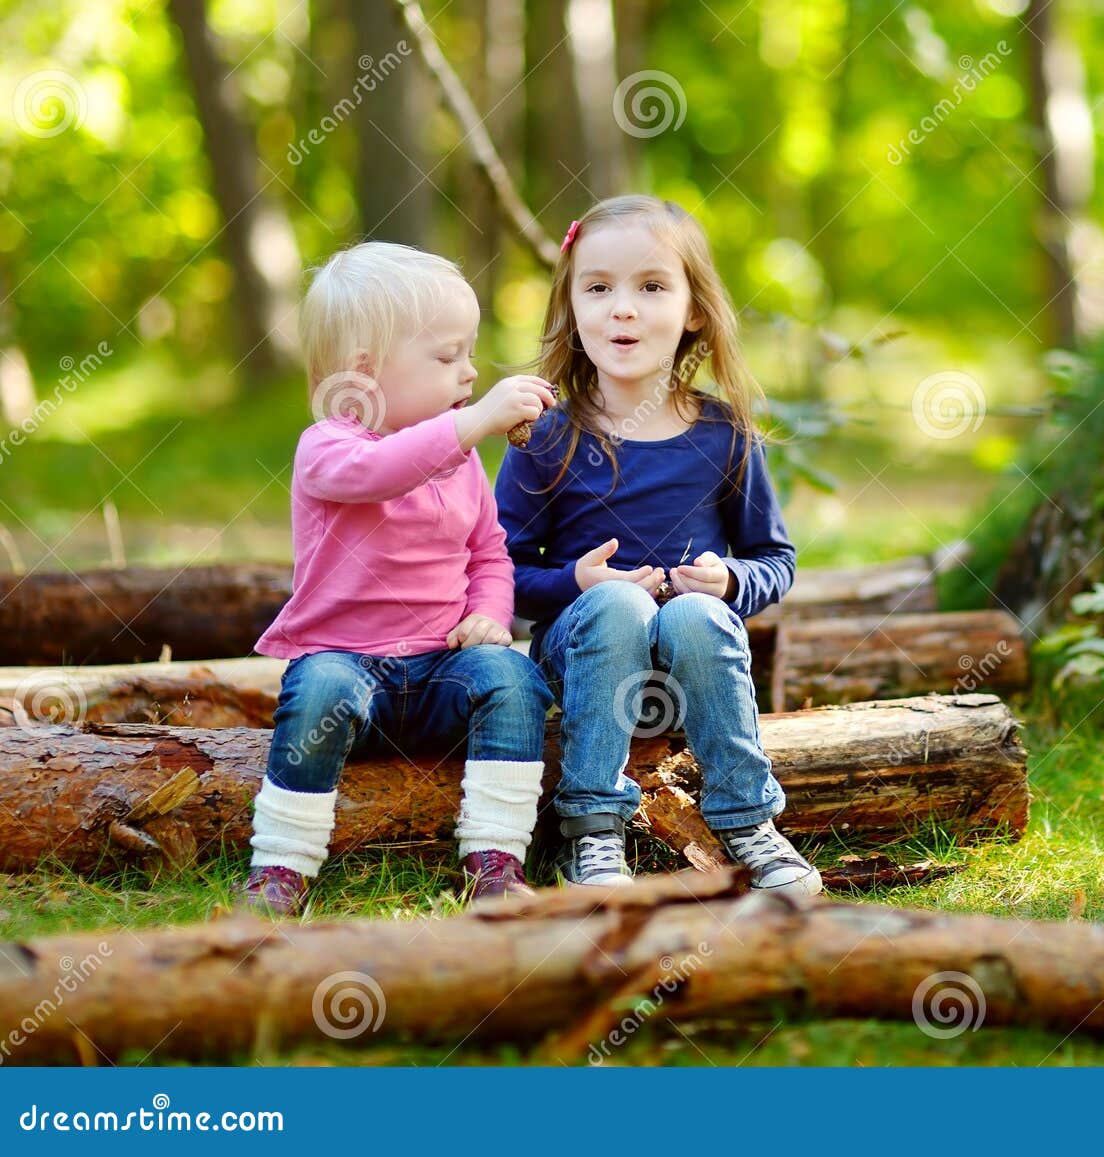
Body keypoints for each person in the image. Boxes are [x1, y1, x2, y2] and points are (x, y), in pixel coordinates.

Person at [495, 195, 820, 897]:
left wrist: (730, 581)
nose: (622, 309)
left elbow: (775, 559)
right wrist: (577, 585)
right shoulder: (545, 433)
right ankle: (594, 828)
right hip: (585, 653)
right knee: (617, 606)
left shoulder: (723, 433)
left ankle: (747, 821)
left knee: (695, 616)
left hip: (690, 662)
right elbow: (501, 570)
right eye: (599, 286)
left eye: (650, 287)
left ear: (694, 308)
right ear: (571, 305)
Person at [240, 241, 557, 916]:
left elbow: (489, 554)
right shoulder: (327, 446)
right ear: (365, 372)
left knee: (514, 678)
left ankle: (495, 858)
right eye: (447, 357)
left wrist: (491, 615)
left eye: (469, 353)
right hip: (347, 667)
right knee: (319, 684)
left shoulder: (463, 461)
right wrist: (472, 425)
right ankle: (281, 866)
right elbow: (381, 474)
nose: (469, 373)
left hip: (442, 670)